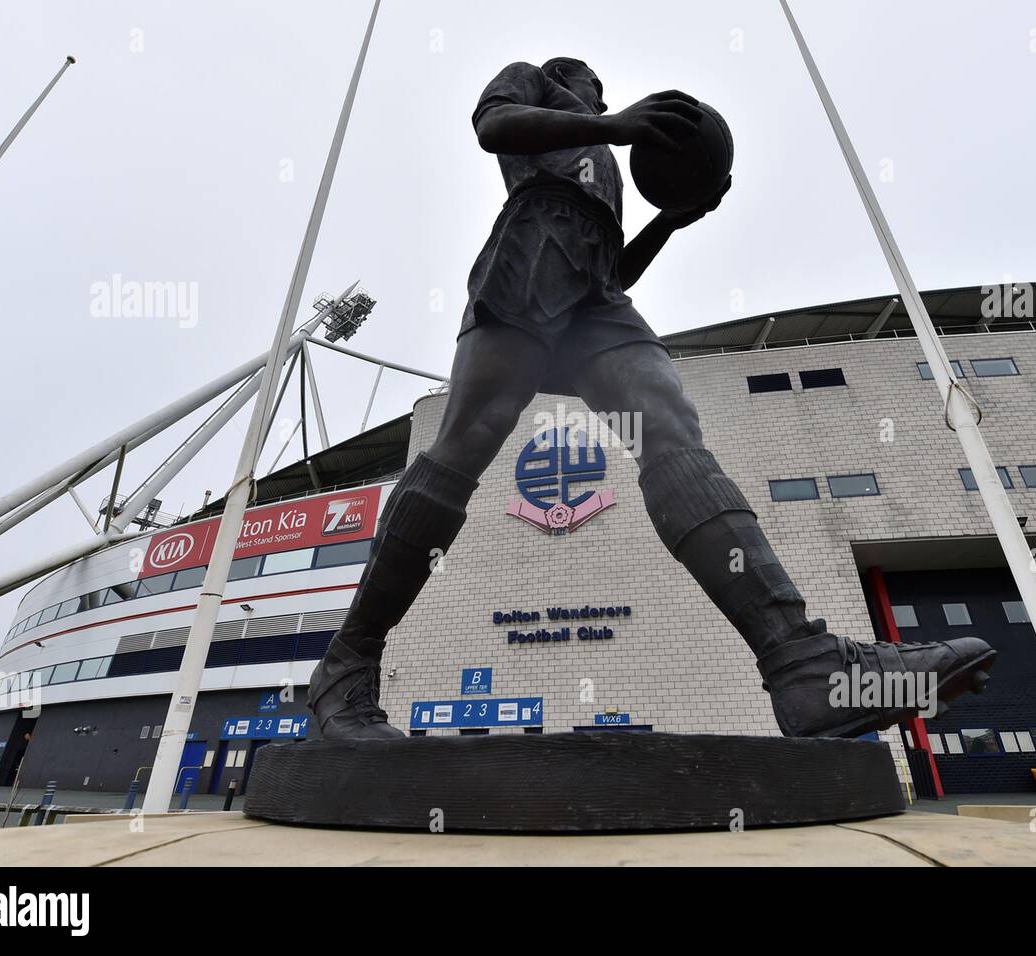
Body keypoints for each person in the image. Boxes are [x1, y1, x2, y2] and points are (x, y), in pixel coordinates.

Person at [307, 57, 996, 741]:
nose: (597, 87)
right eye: (589, 83)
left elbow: (613, 262)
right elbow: (493, 127)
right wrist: (613, 123)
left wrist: (668, 219)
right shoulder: (538, 87)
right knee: (466, 441)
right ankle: (347, 664)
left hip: (599, 296)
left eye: (603, 91)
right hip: (531, 253)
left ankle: (802, 662)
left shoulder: (605, 157)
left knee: (670, 425)